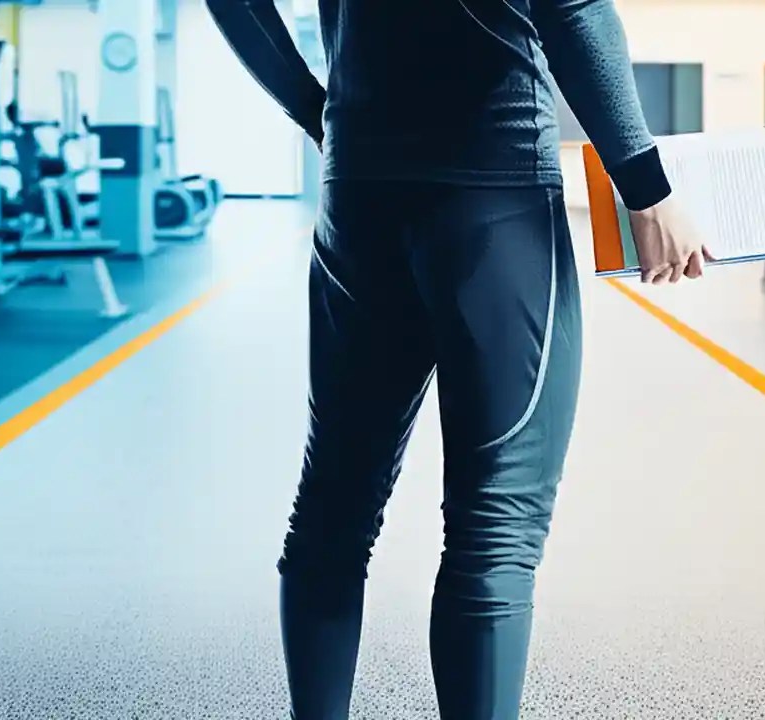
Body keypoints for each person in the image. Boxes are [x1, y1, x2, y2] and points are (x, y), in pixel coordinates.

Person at [204, 1, 708, 717]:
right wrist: (646, 187)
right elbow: (574, 9)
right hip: (495, 194)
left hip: (361, 196)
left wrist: (313, 108)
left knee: (333, 509)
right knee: (493, 529)